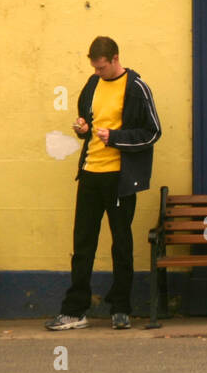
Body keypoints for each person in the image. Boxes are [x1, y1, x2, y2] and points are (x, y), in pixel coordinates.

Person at [47, 37, 161, 331]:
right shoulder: (92, 84)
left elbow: (153, 132)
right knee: (82, 243)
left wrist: (117, 137)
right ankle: (75, 311)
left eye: (101, 68)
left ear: (115, 59)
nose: (98, 72)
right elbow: (87, 122)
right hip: (89, 173)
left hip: (120, 178)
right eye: (94, 68)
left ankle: (121, 308)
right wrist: (82, 129)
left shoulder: (136, 87)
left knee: (121, 243)